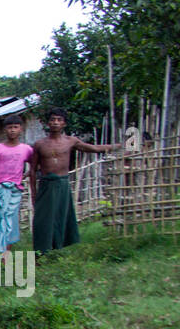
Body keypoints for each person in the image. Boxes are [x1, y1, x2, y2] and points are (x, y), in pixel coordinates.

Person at [31, 108, 116, 255]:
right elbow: (32, 170)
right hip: (46, 185)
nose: (55, 123)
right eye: (52, 120)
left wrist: (119, 146)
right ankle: (40, 252)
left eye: (59, 120)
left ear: (64, 123)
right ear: (48, 123)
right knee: (42, 219)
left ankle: (58, 249)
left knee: (61, 216)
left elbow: (94, 148)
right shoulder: (39, 144)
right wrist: (33, 194)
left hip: (63, 183)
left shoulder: (71, 141)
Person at [0, 115, 34, 254]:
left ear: (21, 129)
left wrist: (24, 176)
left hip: (14, 191)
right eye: (9, 127)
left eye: (15, 127)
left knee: (10, 223)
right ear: (5, 129)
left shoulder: (26, 149)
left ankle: (5, 256)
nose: (12, 130)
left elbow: (35, 166)